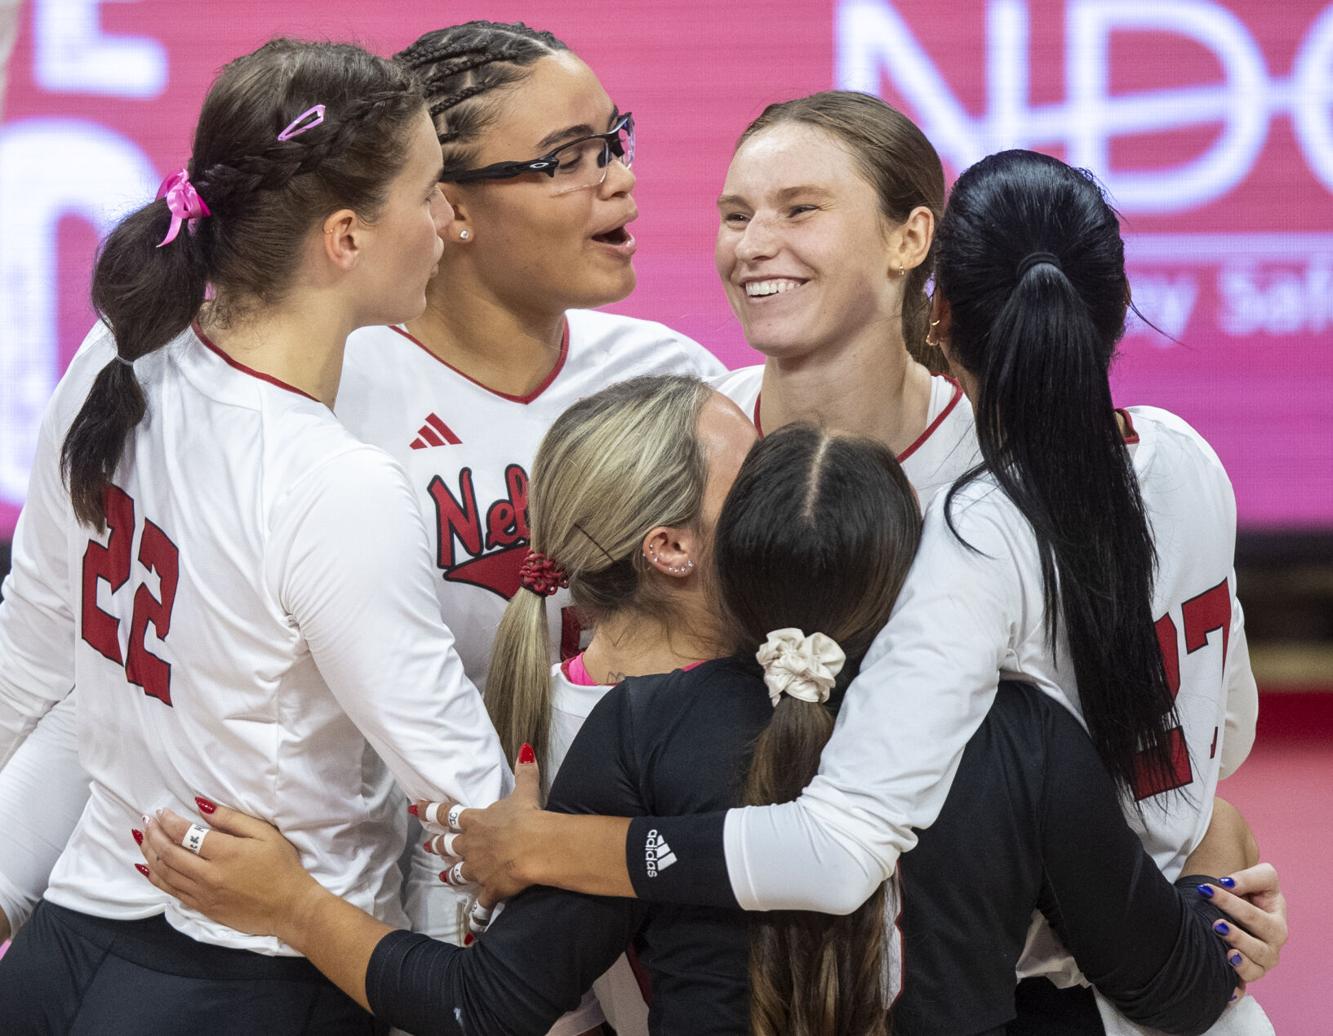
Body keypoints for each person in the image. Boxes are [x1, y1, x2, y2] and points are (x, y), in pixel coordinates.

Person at [424, 151, 1269, 1024]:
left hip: (1071, 989)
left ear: (937, 316)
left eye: (799, 208)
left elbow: (834, 852)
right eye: (738, 212)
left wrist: (557, 846)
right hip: (1182, 959)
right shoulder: (1183, 454)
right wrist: (1202, 866)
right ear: (1118, 301)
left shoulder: (972, 536)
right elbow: (1226, 728)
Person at [139, 392, 1270, 1035]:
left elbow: (482, 1005)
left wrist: (293, 905)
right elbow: (1167, 985)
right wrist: (1210, 912)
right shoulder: (1017, 732)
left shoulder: (630, 729)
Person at [0, 38, 512, 1030]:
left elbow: (32, 650)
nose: (449, 223)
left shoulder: (118, 353)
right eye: (428, 193)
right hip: (255, 979)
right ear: (346, 237)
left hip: (67, 946)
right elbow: (467, 800)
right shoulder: (332, 482)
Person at [709, 91, 975, 509]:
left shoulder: (994, 461)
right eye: (737, 217)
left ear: (909, 239)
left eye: (800, 210)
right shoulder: (668, 447)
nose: (750, 247)